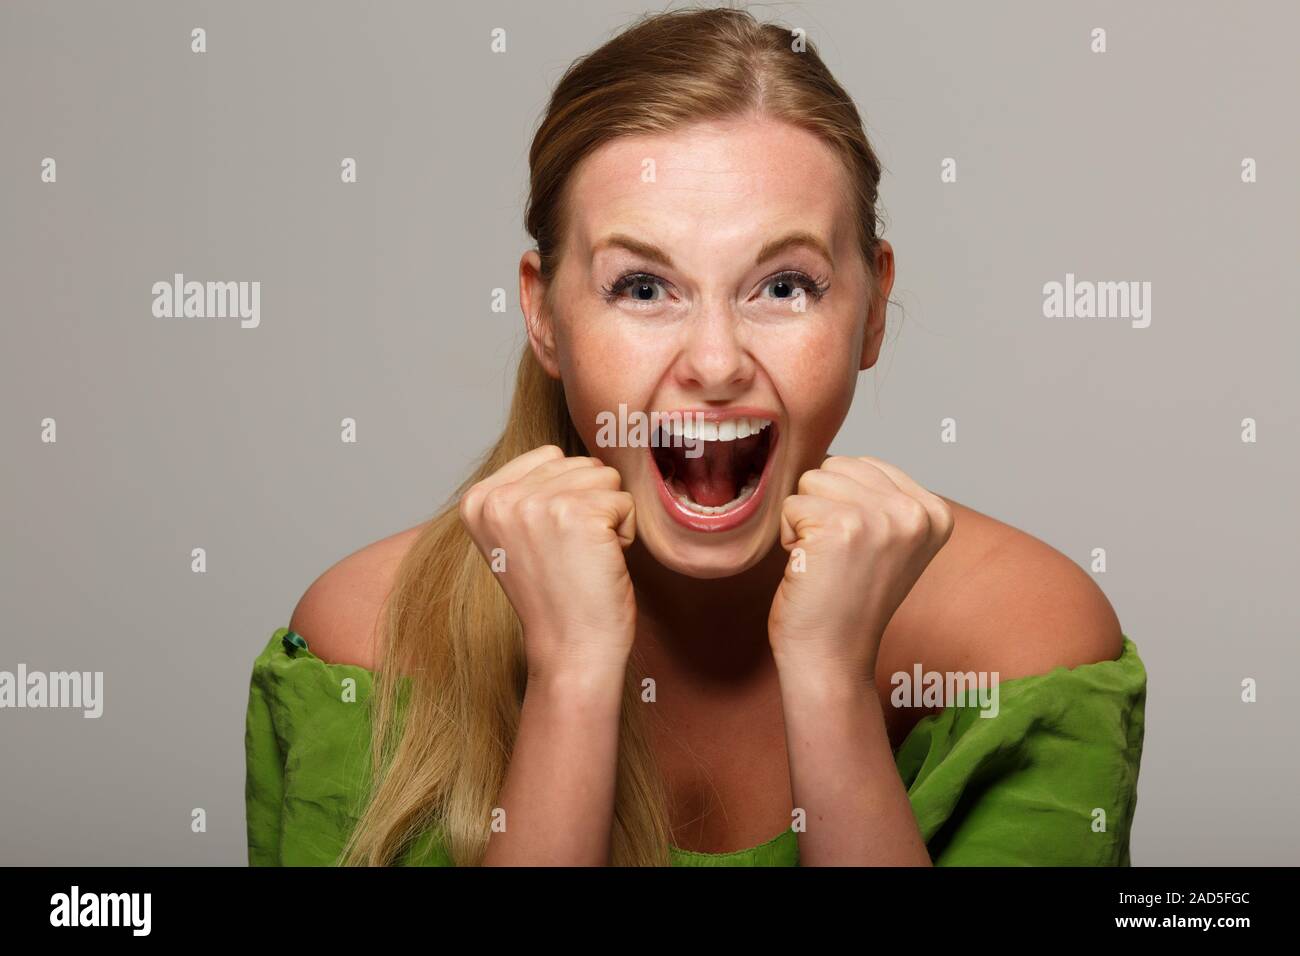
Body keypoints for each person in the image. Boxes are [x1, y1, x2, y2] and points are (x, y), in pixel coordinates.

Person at [245, 6, 1146, 867]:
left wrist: (833, 685)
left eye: (783, 287)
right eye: (642, 288)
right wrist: (572, 676)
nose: (716, 363)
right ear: (543, 314)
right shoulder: (367, 646)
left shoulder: (1024, 646)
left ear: (872, 308)